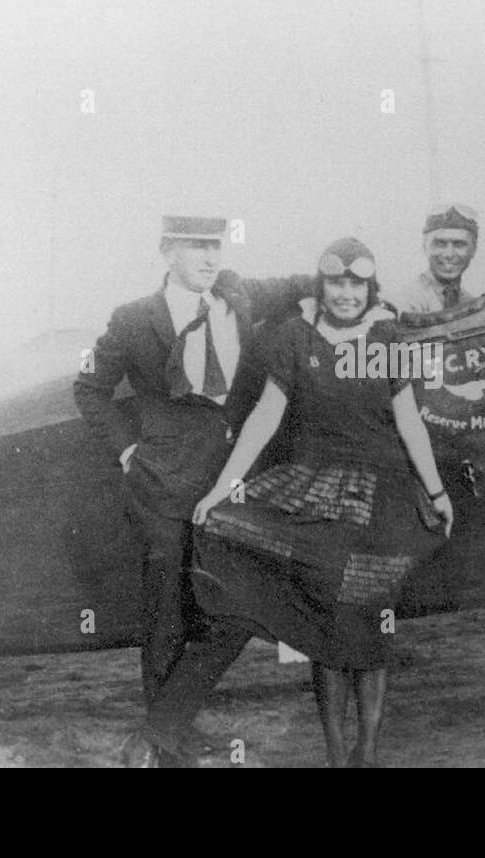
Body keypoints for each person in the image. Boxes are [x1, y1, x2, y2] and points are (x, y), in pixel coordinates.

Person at [190, 236, 453, 767]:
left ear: (369, 287)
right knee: (330, 629)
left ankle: (367, 752)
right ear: (322, 284)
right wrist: (224, 486)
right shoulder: (294, 338)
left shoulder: (387, 340)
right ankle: (336, 756)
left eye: (357, 283)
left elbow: (410, 422)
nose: (346, 293)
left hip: (383, 502)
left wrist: (437, 489)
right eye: (337, 282)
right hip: (318, 500)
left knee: (373, 625)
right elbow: (265, 417)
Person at [73, 214, 310, 768]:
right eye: (195, 247)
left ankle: (159, 732)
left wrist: (372, 298)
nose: (208, 257)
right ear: (166, 252)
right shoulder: (133, 320)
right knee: (167, 615)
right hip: (163, 485)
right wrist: (129, 452)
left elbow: (307, 281)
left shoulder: (239, 295)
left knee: (238, 606)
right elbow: (89, 389)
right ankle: (168, 748)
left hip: (232, 481)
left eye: (214, 246)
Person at [391, 203, 480, 313]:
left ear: (474, 249)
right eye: (440, 244)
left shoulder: (470, 303)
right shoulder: (406, 300)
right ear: (425, 247)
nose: (449, 254)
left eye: (459, 244)